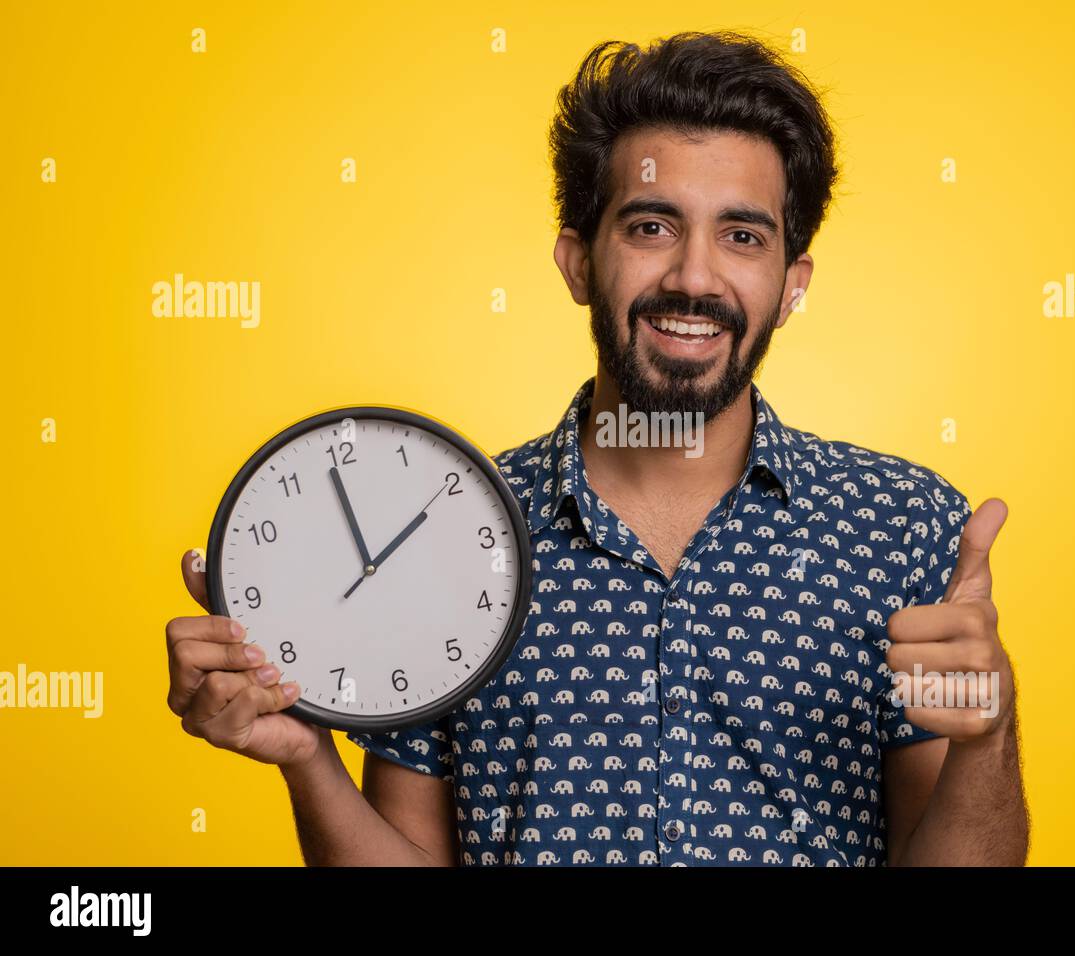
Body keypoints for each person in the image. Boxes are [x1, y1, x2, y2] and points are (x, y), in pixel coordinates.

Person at [165, 30, 1028, 866]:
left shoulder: (905, 528)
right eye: (651, 227)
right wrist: (308, 757)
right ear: (578, 262)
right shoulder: (444, 528)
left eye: (743, 236)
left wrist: (987, 732)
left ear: (792, 283)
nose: (694, 277)